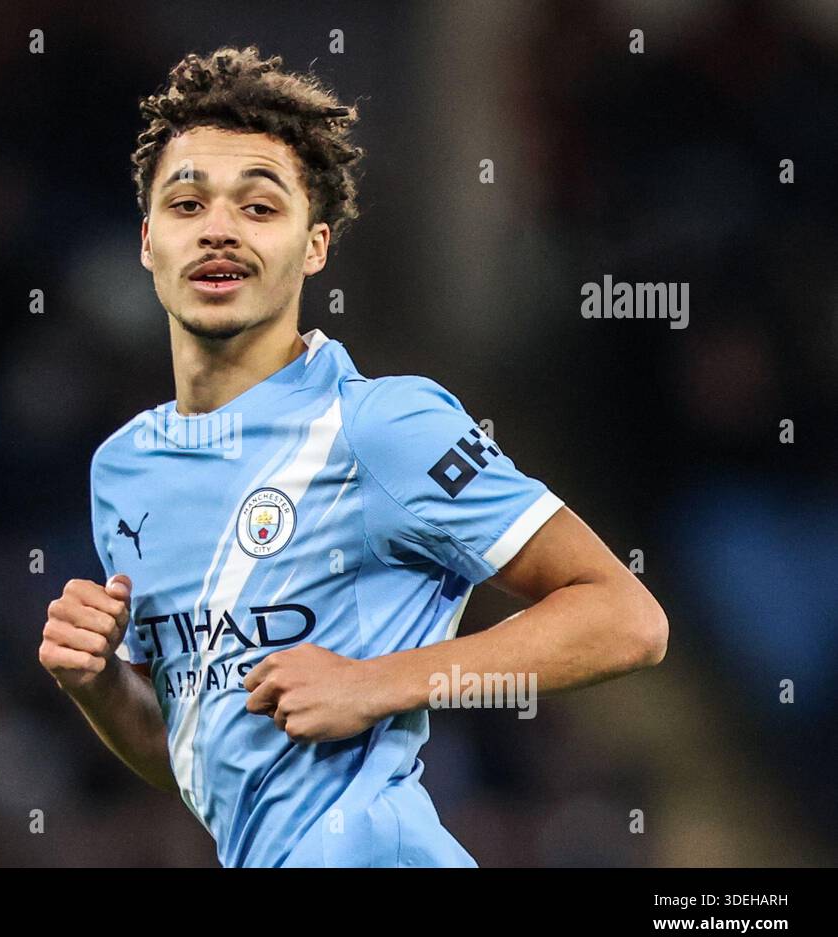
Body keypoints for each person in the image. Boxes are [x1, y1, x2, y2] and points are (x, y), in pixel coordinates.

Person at [39, 45, 667, 867]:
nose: (220, 227)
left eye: (260, 208)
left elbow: (626, 620)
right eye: (188, 203)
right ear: (149, 241)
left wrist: (382, 682)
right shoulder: (123, 471)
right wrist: (96, 686)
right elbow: (194, 756)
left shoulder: (382, 425)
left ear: (316, 246)